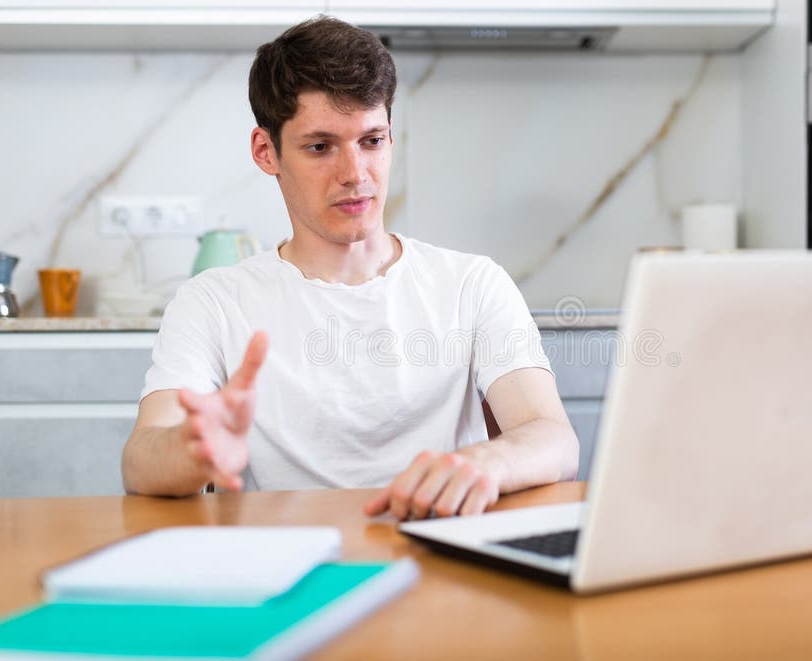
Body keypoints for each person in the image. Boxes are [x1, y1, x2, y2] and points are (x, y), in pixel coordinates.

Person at [120, 16, 579, 520]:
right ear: (265, 151)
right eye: (320, 147)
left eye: (372, 141)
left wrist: (488, 461)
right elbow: (142, 459)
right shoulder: (213, 301)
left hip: (442, 562)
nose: (355, 175)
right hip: (281, 569)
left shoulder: (472, 284)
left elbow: (553, 437)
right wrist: (193, 449)